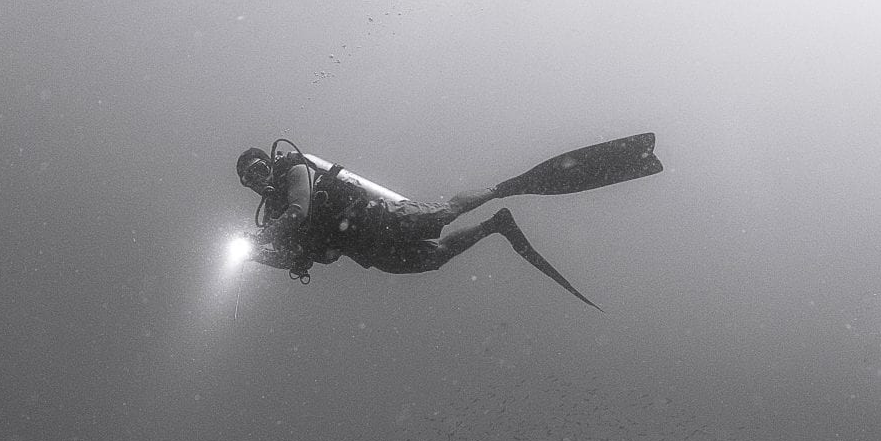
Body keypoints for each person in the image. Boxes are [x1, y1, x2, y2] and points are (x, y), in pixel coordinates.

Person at [235, 132, 661, 310]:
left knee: (443, 214)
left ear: (268, 163)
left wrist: (258, 238)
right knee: (433, 260)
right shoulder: (270, 218)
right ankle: (497, 223)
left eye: (257, 168)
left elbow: (298, 212)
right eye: (248, 179)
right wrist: (256, 257)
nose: (255, 179)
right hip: (363, 248)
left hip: (377, 218)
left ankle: (500, 190)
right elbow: (301, 257)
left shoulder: (294, 172)